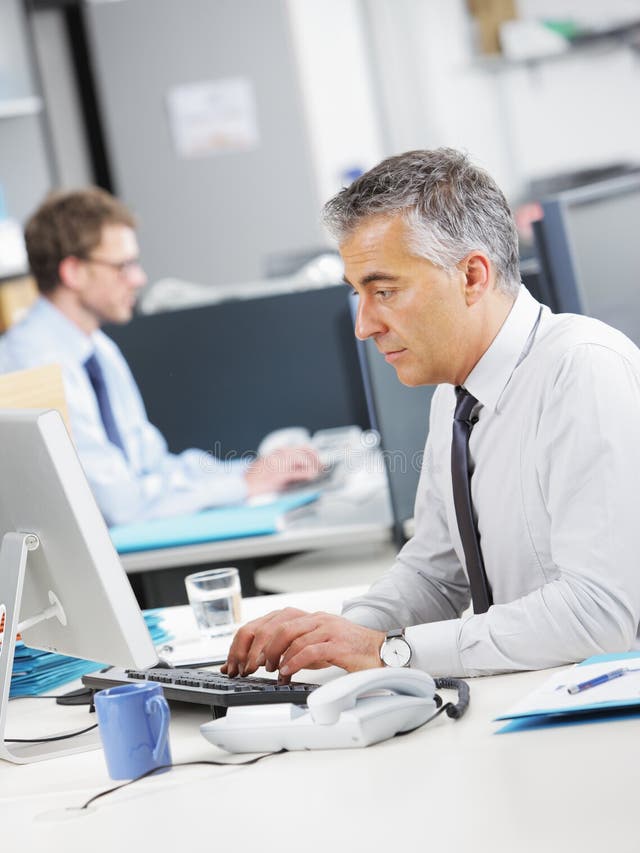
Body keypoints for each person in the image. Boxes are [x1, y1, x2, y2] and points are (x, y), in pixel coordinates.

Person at [223, 147, 640, 681]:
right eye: (359, 294)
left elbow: (596, 616)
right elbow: (436, 574)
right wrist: (334, 635)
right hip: (529, 699)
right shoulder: (457, 392)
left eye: (385, 291)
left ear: (472, 276)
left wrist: (390, 651)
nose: (364, 325)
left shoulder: (581, 370)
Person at [0, 188, 321, 525]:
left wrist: (255, 468)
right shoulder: (32, 364)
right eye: (123, 266)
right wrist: (241, 485)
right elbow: (119, 506)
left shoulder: (98, 350)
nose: (139, 278)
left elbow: (152, 465)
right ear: (73, 272)